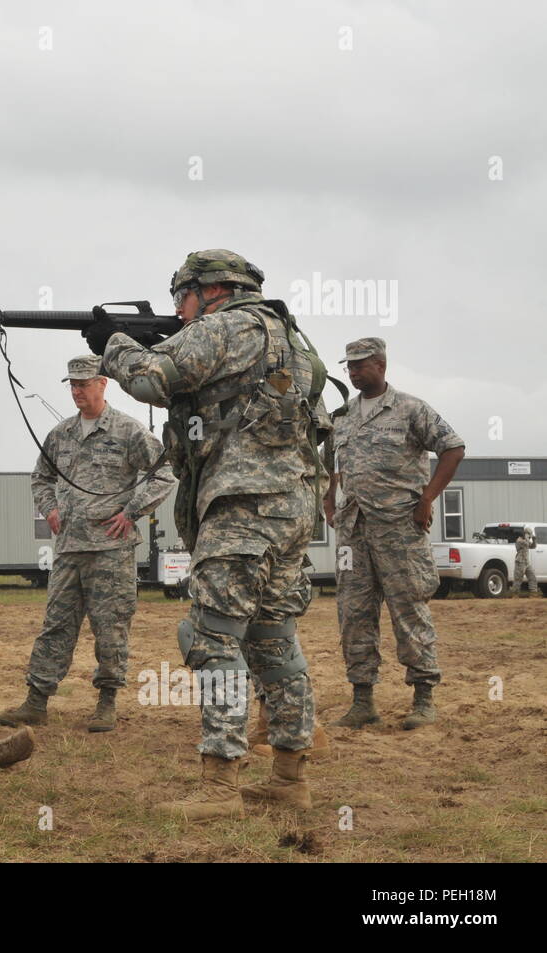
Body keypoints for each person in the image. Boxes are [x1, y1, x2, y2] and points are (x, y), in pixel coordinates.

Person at [86, 249, 330, 821]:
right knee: (273, 639)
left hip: (241, 508)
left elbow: (151, 378)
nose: (178, 309)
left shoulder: (226, 327)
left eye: (181, 297)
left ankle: (220, 786)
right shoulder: (292, 338)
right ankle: (290, 780)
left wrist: (114, 342)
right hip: (293, 509)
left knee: (210, 637)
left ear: (210, 290)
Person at [0, 354, 175, 732]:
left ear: (103, 383)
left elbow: (164, 475)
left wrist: (131, 512)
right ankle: (36, 701)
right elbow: (40, 478)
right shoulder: (61, 434)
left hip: (111, 550)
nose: (78, 390)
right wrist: (50, 510)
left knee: (110, 628)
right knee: (55, 626)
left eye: (84, 383)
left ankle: (107, 702)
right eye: (73, 384)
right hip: (69, 551)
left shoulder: (127, 431)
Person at [326, 338, 465, 729]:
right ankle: (362, 700)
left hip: (400, 527)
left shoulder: (410, 409)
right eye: (349, 366)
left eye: (360, 365)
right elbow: (332, 460)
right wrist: (328, 495)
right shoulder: (343, 415)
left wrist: (427, 497)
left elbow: (453, 448)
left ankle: (423, 699)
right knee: (353, 614)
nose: (353, 372)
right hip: (354, 531)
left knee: (409, 611)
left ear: (381, 365)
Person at [513, 527, 539, 597]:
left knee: (532, 577)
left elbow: (533, 546)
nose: (529, 536)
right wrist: (527, 537)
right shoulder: (520, 540)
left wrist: (534, 539)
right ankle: (515, 594)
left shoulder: (525, 540)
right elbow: (526, 544)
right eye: (528, 534)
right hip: (520, 562)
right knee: (518, 580)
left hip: (526, 562)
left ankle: (534, 593)